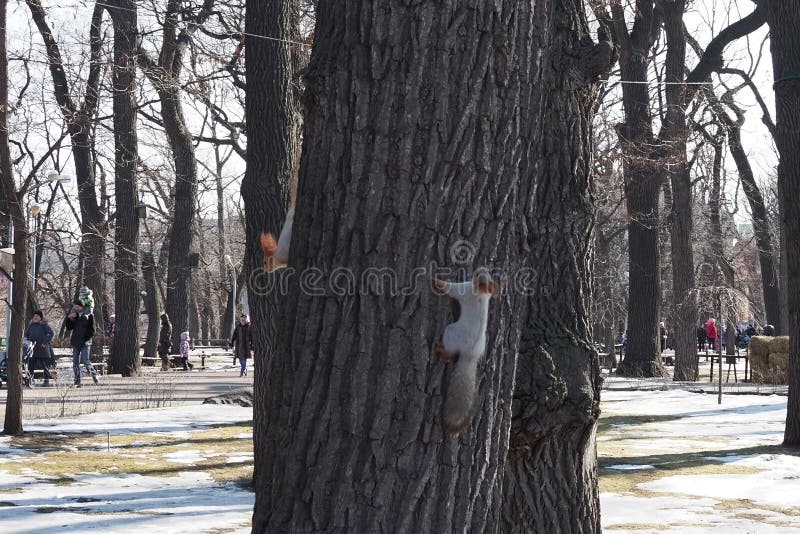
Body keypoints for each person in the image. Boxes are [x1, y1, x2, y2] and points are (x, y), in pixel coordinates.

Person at [64, 301, 98, 387]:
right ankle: (77, 381)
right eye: (75, 307)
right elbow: (69, 327)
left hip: (85, 342)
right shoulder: (74, 315)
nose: (77, 308)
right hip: (76, 342)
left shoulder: (89, 315)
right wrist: (69, 318)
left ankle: (94, 375)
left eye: (78, 307)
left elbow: (92, 330)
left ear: (82, 307)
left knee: (86, 360)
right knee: (75, 362)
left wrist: (86, 339)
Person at [24, 310, 55, 387]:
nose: (35, 318)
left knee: (45, 366)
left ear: (41, 318)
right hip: (33, 349)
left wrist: (45, 342)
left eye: (37, 316)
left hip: (43, 349)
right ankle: (30, 381)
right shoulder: (31, 325)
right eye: (34, 316)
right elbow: (26, 335)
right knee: (31, 366)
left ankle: (46, 381)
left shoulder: (44, 325)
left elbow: (51, 333)